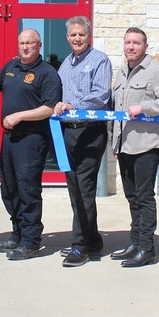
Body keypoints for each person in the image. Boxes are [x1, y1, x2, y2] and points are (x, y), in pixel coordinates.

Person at [0, 28, 62, 261]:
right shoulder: (11, 67)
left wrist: (20, 116)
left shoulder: (47, 73)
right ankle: (17, 234)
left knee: (28, 189)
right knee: (9, 188)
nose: (25, 47)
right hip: (9, 139)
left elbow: (49, 107)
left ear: (39, 46)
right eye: (22, 43)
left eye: (30, 43)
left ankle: (31, 241)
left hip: (31, 140)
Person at [110, 27, 159, 268]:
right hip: (126, 144)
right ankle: (135, 242)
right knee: (132, 196)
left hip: (147, 144)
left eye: (136, 43)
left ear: (145, 47)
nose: (131, 47)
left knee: (144, 196)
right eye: (127, 42)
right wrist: (115, 141)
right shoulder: (121, 72)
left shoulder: (156, 71)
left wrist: (145, 107)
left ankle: (147, 248)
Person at [52, 16, 113, 268]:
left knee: (84, 187)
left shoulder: (100, 60)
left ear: (89, 36)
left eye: (81, 35)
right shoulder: (65, 64)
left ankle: (79, 247)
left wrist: (72, 105)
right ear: (67, 37)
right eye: (73, 35)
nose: (77, 39)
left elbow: (101, 95)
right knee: (74, 188)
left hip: (90, 132)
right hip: (68, 133)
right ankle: (93, 238)